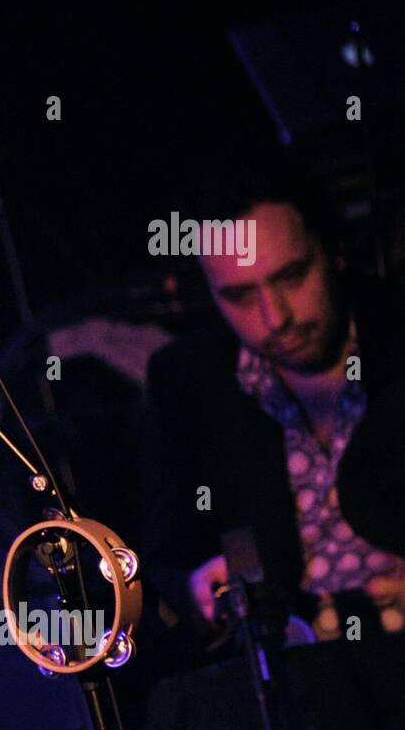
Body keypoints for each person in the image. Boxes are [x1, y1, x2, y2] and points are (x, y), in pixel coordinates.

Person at [142, 161, 405, 651]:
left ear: (335, 251)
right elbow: (164, 561)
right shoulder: (188, 379)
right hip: (299, 679)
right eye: (240, 295)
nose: (275, 317)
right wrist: (201, 590)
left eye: (292, 276)